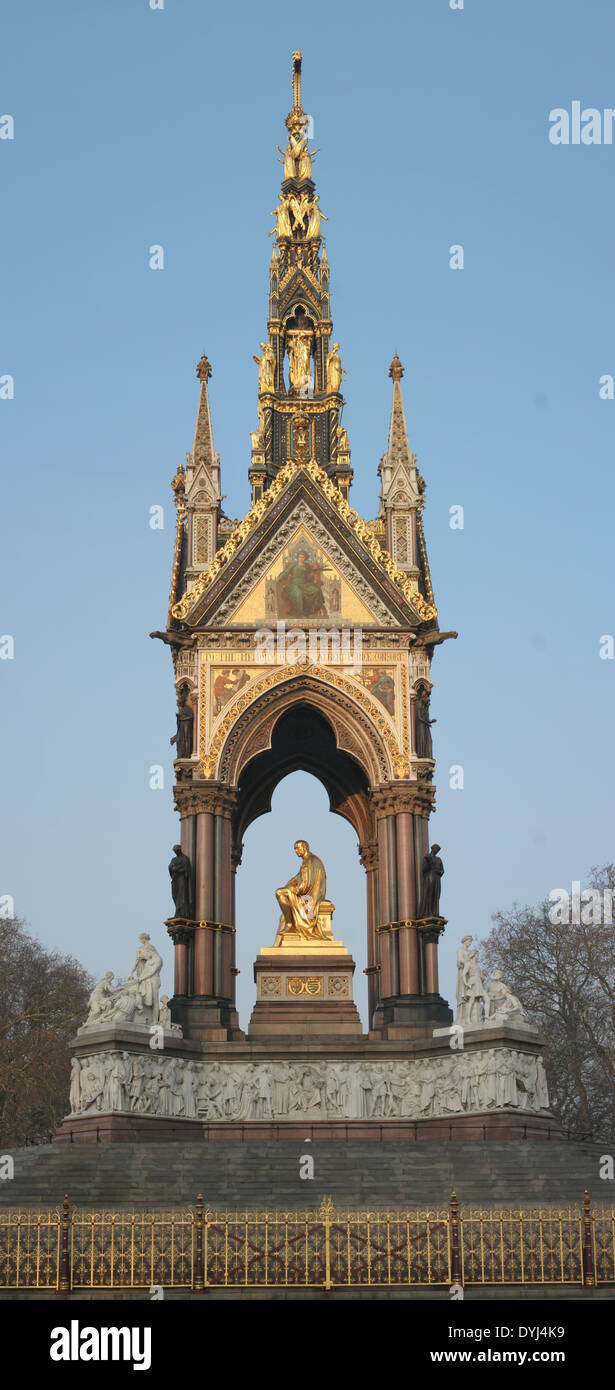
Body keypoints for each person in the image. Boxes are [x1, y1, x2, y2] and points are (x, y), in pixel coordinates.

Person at [275, 840, 328, 943]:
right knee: (284, 897)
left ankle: (290, 925)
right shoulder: (310, 860)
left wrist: (293, 889)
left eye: (298, 848)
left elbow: (305, 884)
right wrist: (290, 884)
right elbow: (299, 877)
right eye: (295, 848)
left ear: (305, 847)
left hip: (309, 896)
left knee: (279, 893)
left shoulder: (309, 861)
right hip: (309, 893)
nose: (296, 851)